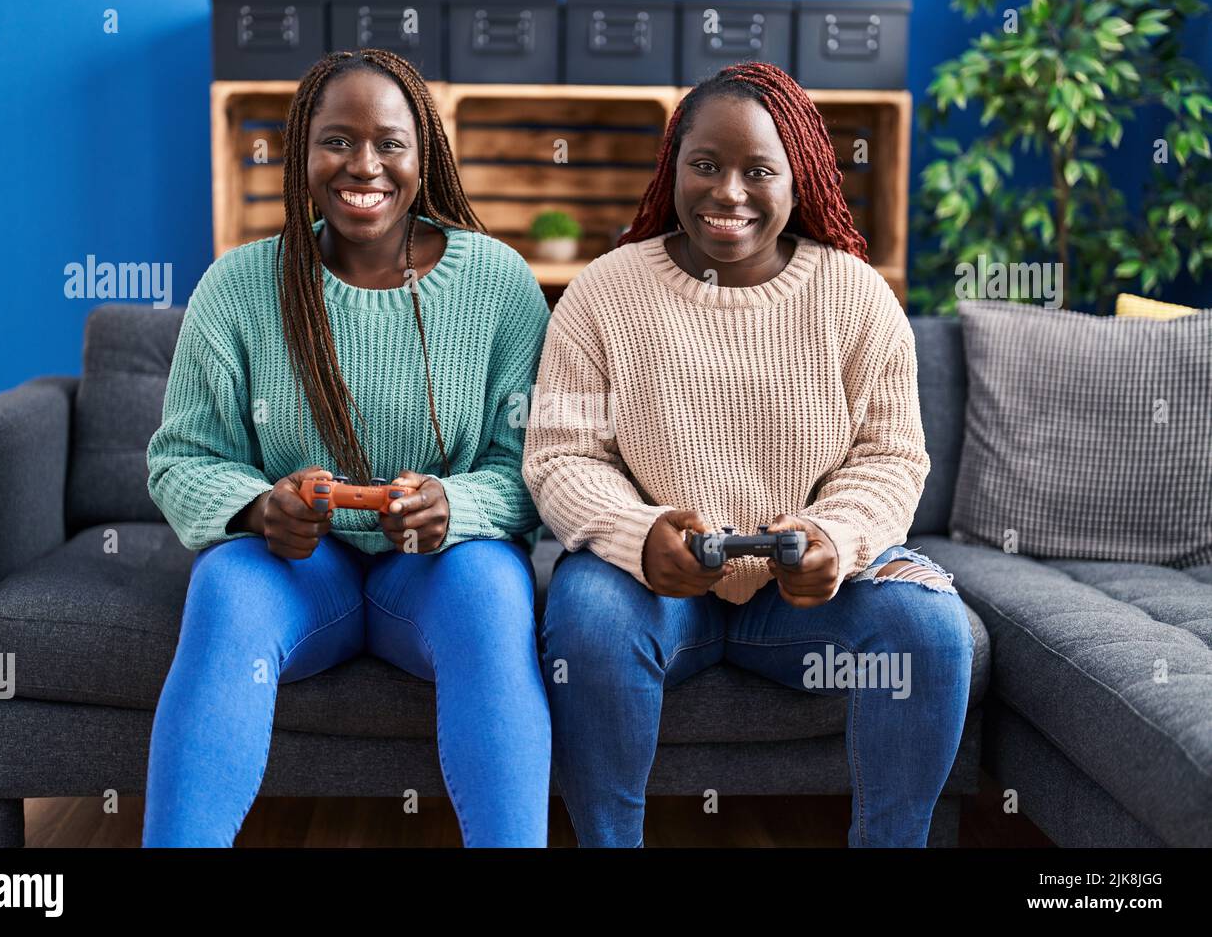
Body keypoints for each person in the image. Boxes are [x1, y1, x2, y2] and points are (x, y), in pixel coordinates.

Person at [522, 61, 974, 847]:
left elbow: (892, 456)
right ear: (674, 170)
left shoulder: (856, 296)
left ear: (800, 180)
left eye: (759, 170)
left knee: (932, 630)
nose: (728, 192)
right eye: (705, 165)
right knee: (588, 614)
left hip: (802, 603)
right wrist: (641, 534)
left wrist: (836, 537)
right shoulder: (604, 291)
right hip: (653, 588)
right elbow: (561, 454)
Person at [143, 49, 551, 847]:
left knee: (495, 591)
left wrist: (454, 505)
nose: (364, 165)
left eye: (390, 143)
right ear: (301, 152)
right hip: (297, 572)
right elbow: (181, 455)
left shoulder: (500, 285)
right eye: (337, 140)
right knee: (224, 587)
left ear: (423, 154)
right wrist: (260, 507)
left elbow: (536, 467)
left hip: (440, 572)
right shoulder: (238, 286)